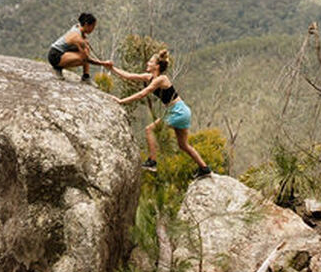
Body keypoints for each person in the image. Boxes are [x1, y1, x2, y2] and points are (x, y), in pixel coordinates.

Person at [112, 49, 212, 177]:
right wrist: (112, 68)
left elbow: (143, 93)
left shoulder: (161, 79)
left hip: (178, 111)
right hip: (180, 110)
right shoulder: (150, 77)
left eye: (151, 62)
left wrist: (122, 101)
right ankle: (204, 168)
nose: (147, 63)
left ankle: (152, 161)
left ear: (157, 66)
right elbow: (129, 76)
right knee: (183, 145)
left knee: (150, 129)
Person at [47, 13, 113, 81]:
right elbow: (87, 59)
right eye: (93, 26)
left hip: (62, 52)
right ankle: (58, 67)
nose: (93, 29)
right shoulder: (77, 38)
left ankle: (86, 76)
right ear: (86, 25)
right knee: (83, 58)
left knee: (86, 49)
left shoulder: (78, 27)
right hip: (55, 56)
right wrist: (103, 63)